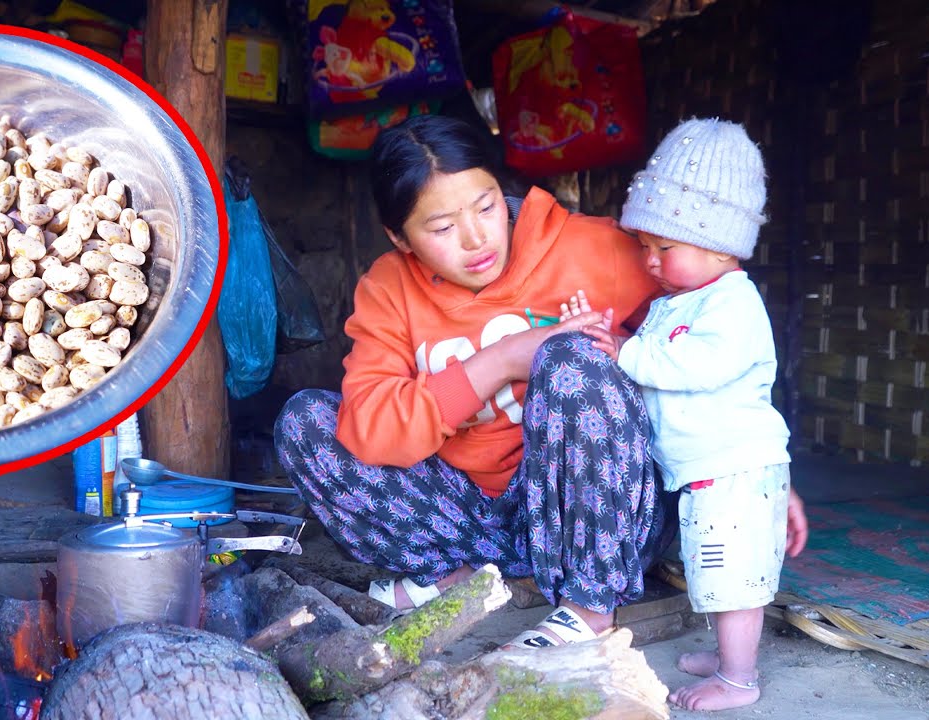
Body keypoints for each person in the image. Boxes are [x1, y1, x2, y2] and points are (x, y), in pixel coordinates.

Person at [273, 113, 674, 649]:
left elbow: (715, 334)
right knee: (307, 424)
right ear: (400, 236)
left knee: (575, 358)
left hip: (591, 517)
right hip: (464, 518)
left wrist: (751, 463)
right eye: (441, 228)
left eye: (486, 207)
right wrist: (504, 359)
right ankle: (460, 573)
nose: (476, 237)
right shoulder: (389, 288)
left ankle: (589, 603)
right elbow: (368, 429)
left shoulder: (595, 250)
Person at [578, 118, 809, 711]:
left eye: (665, 247)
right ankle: (731, 656)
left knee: (733, 582)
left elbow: (697, 366)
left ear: (719, 243)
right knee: (716, 573)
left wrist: (626, 351)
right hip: (720, 470)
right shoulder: (686, 299)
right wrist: (622, 339)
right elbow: (664, 364)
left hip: (732, 471)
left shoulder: (733, 304)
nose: (649, 261)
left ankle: (738, 679)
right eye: (645, 246)